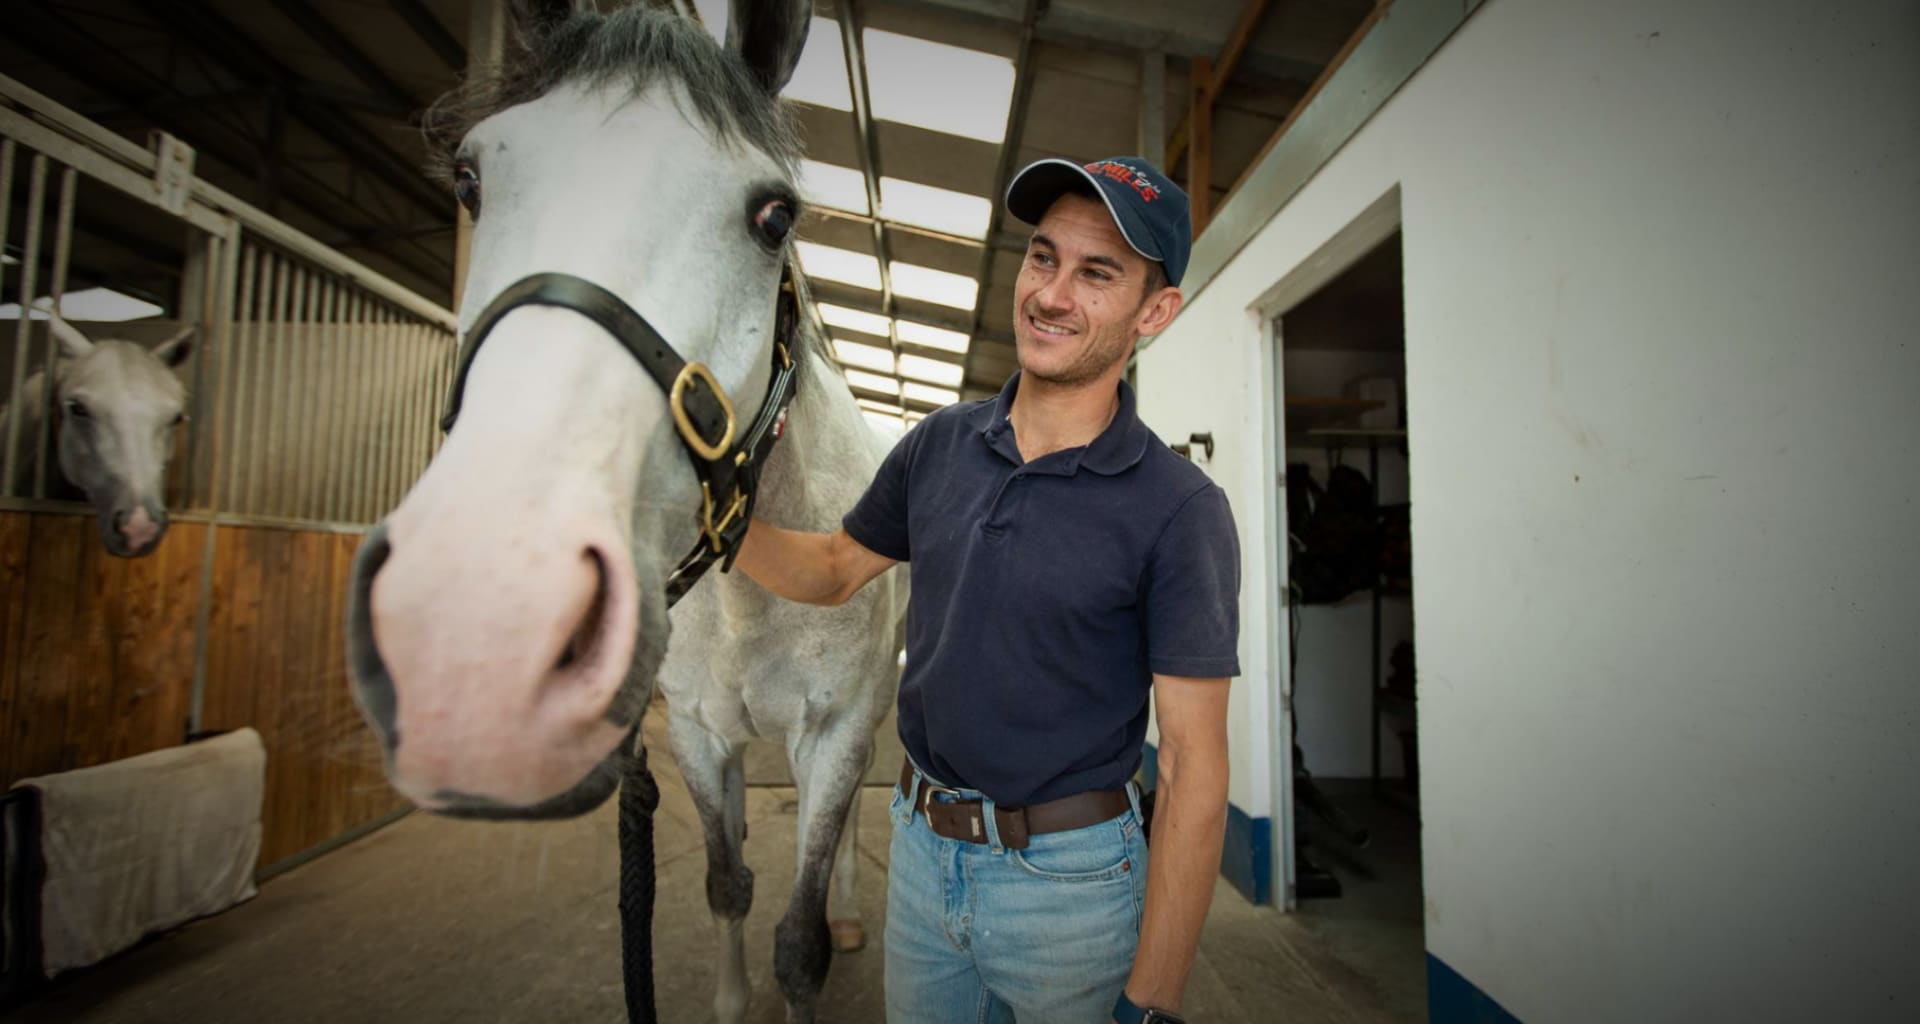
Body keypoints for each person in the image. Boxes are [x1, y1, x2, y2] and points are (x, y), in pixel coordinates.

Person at [734, 155, 1240, 1024]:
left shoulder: (1178, 509)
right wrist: (709, 516)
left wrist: (1154, 999)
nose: (1051, 294)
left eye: (1097, 274)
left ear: (1154, 312)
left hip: (1071, 888)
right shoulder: (940, 445)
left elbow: (1194, 764)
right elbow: (833, 568)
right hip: (921, 855)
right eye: (1043, 257)